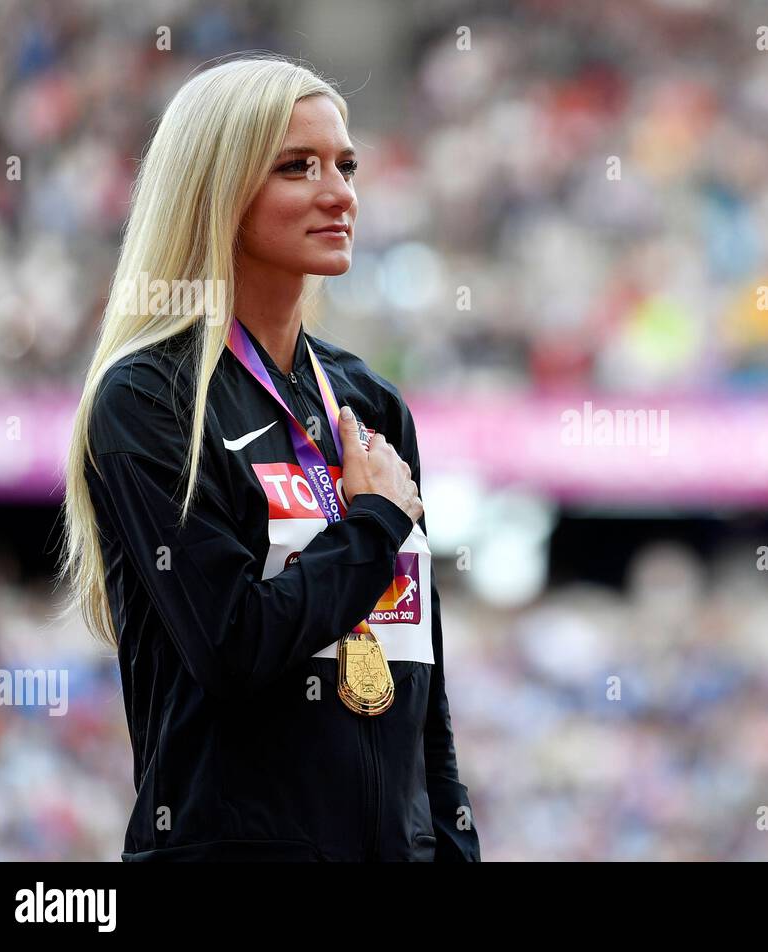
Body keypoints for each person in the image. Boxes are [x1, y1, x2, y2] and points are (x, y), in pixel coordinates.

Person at [56, 55, 480, 862]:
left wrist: (453, 846)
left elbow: (424, 681)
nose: (340, 193)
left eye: (346, 166)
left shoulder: (371, 403)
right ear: (218, 189)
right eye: (298, 167)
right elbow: (234, 647)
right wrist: (374, 523)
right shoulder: (148, 399)